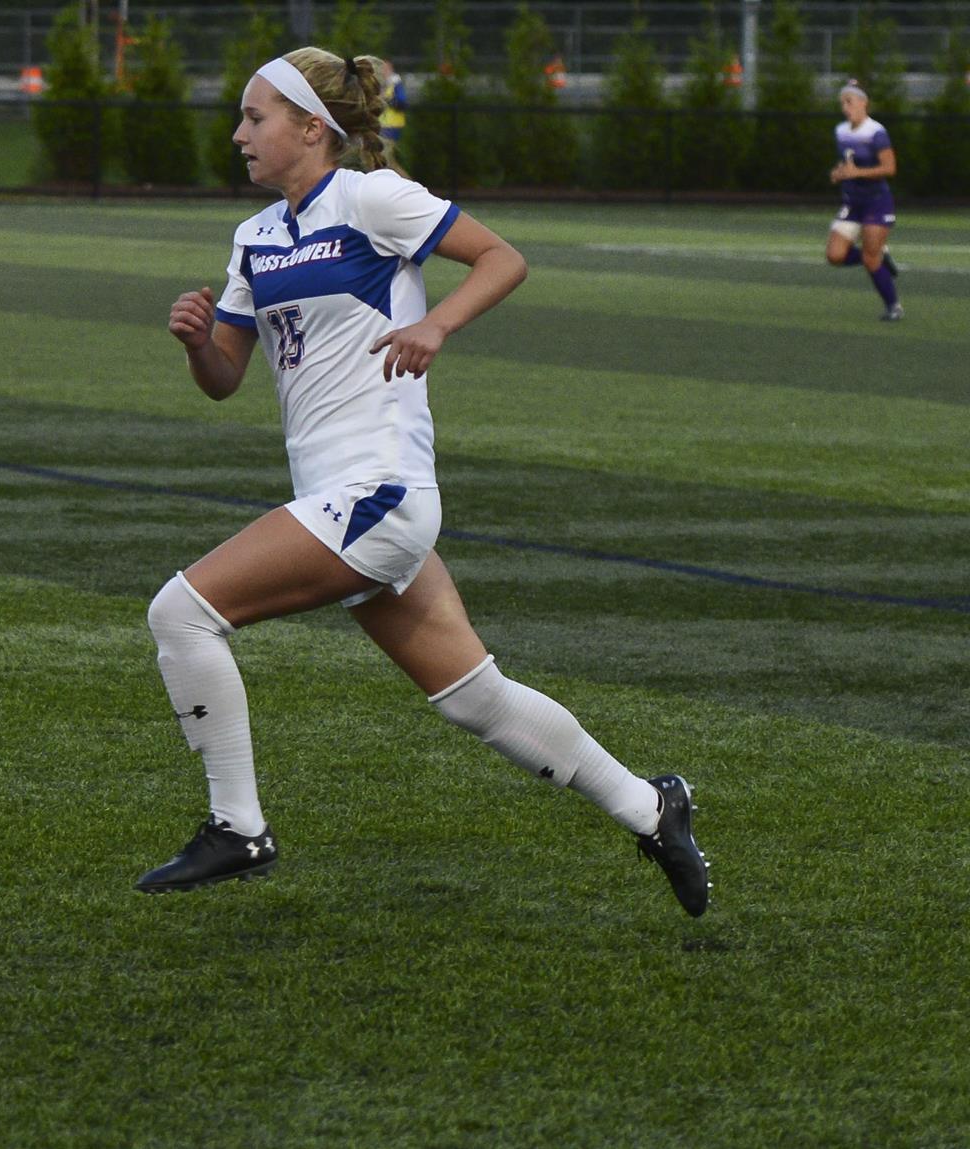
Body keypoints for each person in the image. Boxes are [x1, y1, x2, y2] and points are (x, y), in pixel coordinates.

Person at [138, 47, 709, 917]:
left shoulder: (372, 196)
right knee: (476, 697)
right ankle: (651, 806)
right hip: (341, 499)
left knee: (181, 611)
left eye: (255, 117)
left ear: (309, 126)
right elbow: (224, 378)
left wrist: (437, 324)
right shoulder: (254, 239)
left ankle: (237, 826)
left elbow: (502, 259)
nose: (239, 133)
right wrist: (194, 345)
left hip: (381, 491)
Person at [824, 81, 901, 321]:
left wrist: (857, 173)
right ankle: (880, 254)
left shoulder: (876, 132)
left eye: (850, 101)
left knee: (869, 260)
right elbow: (848, 163)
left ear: (863, 103)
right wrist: (839, 172)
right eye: (842, 103)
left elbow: (889, 168)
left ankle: (893, 307)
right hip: (852, 203)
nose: (846, 107)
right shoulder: (841, 131)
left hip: (877, 202)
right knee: (835, 256)